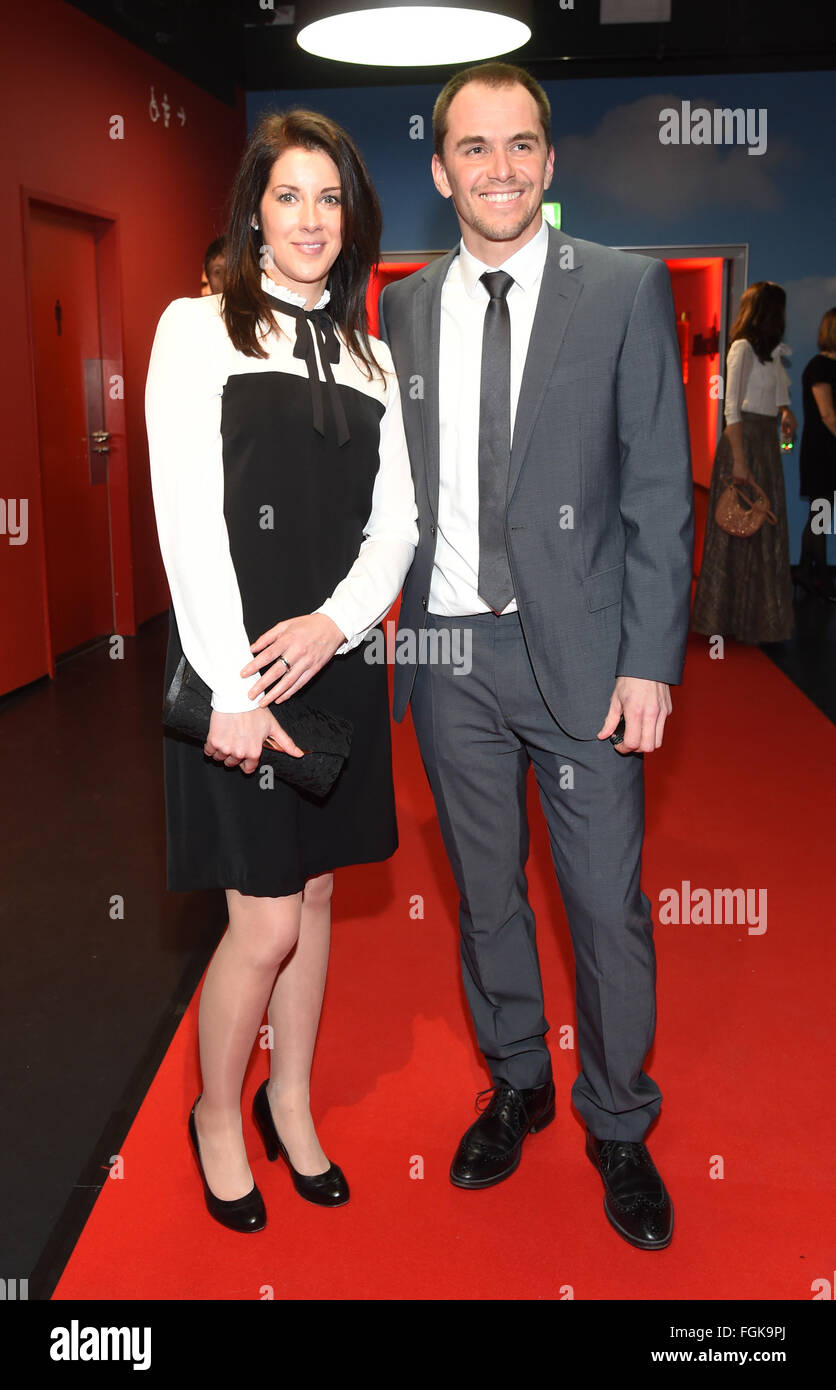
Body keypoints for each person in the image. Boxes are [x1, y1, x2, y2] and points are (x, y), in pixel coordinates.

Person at [377, 62, 693, 1252]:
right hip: (450, 653)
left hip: (585, 657)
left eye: (519, 146)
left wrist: (650, 661)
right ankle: (517, 1079)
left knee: (603, 906)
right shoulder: (404, 307)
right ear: (439, 167)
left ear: (548, 163)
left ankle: (619, 1120)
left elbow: (659, 488)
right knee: (484, 894)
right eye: (473, 147)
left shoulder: (618, 287)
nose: (497, 167)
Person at [145, 109, 418, 1233]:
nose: (310, 218)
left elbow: (396, 522)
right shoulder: (196, 328)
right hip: (236, 671)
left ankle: (289, 1100)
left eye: (330, 198)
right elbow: (187, 519)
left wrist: (334, 624)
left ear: (350, 220)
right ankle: (217, 1111)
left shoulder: (371, 354)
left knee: (312, 898)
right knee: (258, 922)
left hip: (336, 664)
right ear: (254, 211)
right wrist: (233, 684)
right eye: (288, 195)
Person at [692, 281, 797, 642]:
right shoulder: (742, 349)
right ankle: (726, 620)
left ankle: (759, 619)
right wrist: (738, 460)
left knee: (763, 528)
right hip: (744, 443)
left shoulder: (772, 353)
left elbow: (778, 397)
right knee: (737, 529)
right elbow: (731, 408)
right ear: (769, 312)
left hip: (766, 443)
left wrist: (784, 413)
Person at [797, 307, 836, 601]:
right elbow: (827, 415)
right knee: (821, 513)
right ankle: (819, 578)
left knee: (819, 514)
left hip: (826, 451)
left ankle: (807, 574)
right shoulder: (820, 367)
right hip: (823, 453)